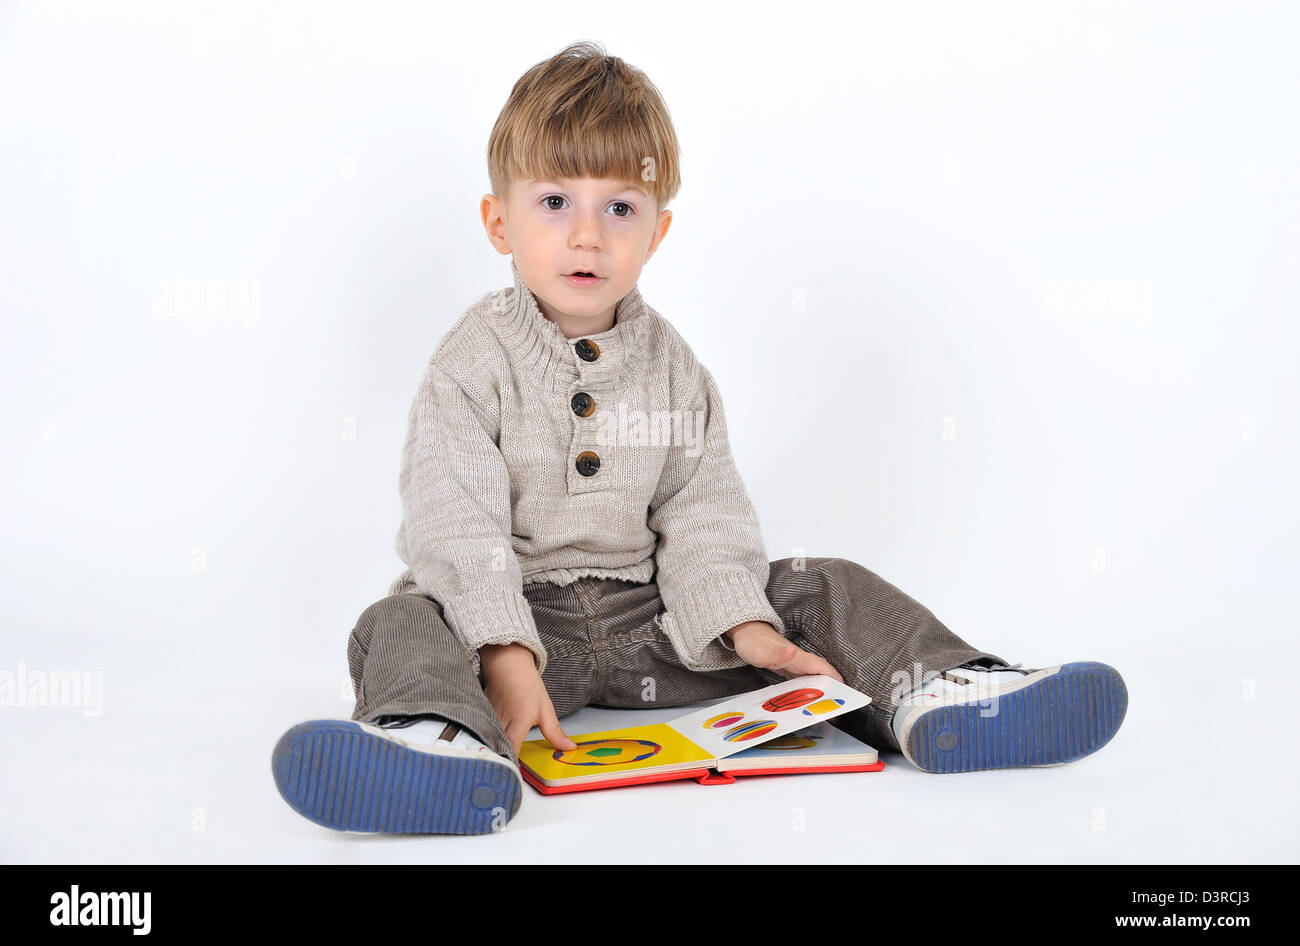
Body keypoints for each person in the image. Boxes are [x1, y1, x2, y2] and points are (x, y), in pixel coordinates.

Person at [271, 41, 1127, 835]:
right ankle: (438, 742)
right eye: (555, 201)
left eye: (620, 206)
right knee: (399, 618)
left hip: (656, 626)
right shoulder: (472, 359)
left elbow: (703, 509)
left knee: (819, 583)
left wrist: (742, 626)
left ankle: (936, 692)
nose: (586, 233)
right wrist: (500, 647)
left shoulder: (674, 366)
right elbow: (452, 517)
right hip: (520, 629)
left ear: (658, 231)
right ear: (499, 222)